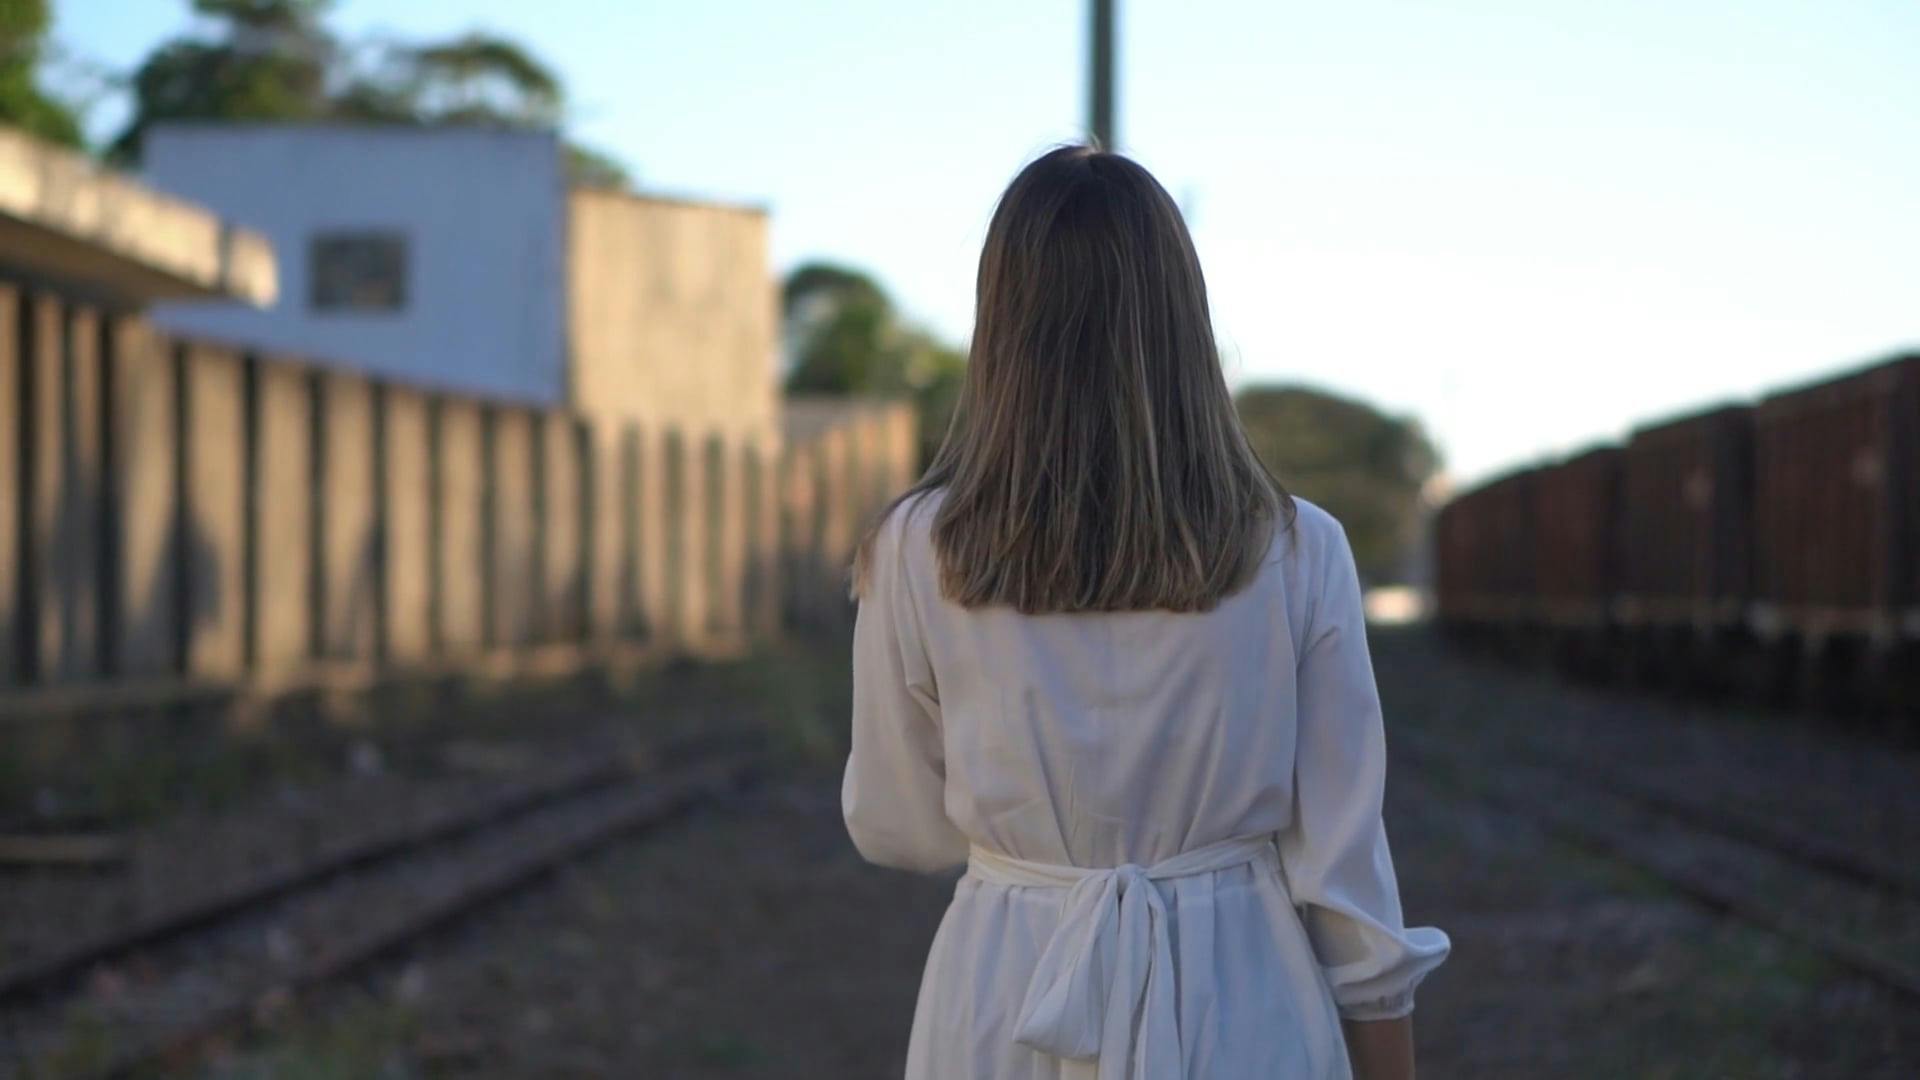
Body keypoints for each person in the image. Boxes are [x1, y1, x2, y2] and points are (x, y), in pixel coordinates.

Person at [842, 144, 1449, 1080]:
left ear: (1001, 322)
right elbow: (1344, 878)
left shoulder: (914, 548)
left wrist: (1034, 840)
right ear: (1182, 315)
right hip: (1243, 1002)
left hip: (1004, 1003)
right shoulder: (1298, 546)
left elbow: (899, 825)